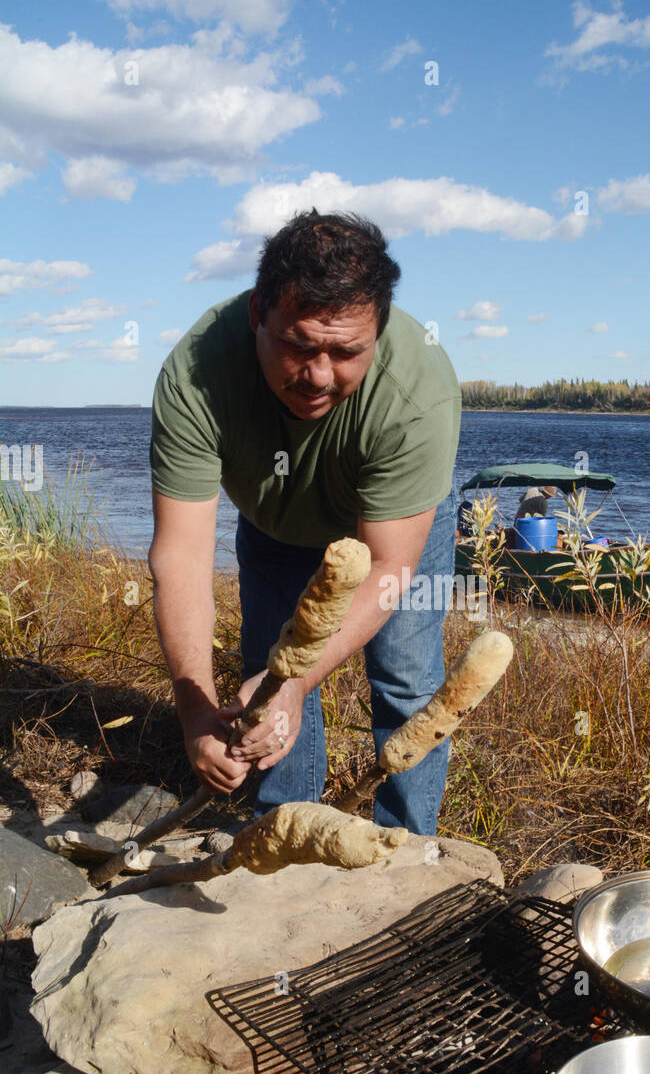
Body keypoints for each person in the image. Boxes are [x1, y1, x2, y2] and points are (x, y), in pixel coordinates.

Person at [148, 210, 461, 835]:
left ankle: (404, 845)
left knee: (406, 682)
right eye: (298, 345)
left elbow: (389, 569)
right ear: (256, 313)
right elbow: (181, 555)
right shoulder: (196, 376)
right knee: (267, 679)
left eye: (346, 352)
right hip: (276, 526)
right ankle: (279, 836)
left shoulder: (417, 393)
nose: (319, 376)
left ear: (379, 329)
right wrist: (194, 710)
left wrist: (300, 674)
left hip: (388, 537)